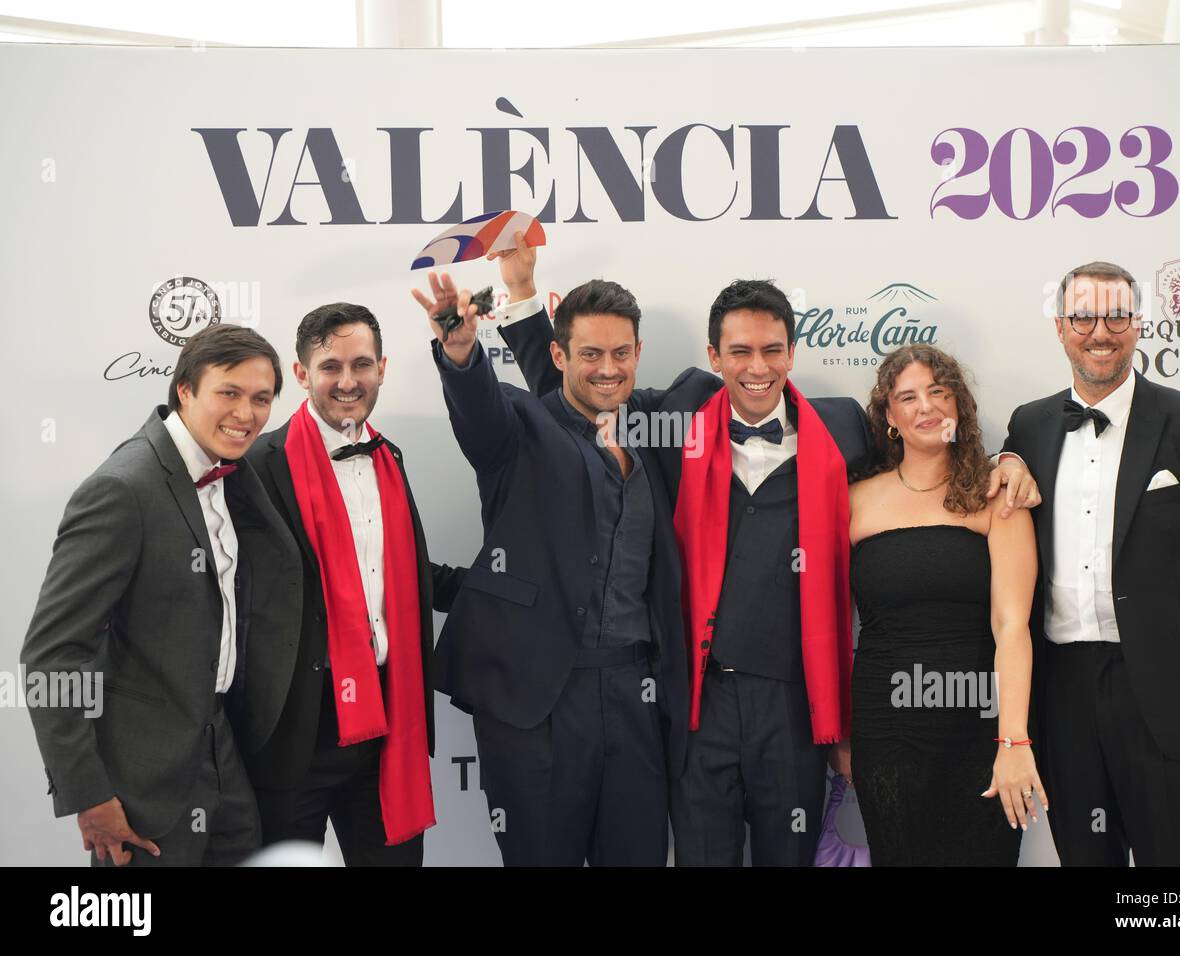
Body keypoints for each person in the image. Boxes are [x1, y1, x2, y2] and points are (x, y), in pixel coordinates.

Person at [502, 273, 1040, 866]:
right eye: (739, 352)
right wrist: (524, 298)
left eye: (771, 350)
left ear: (791, 352)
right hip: (697, 705)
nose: (757, 367)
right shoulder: (673, 417)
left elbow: (928, 455)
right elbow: (579, 397)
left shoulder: (841, 428)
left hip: (793, 709)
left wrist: (1009, 457)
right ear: (714, 357)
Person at [410, 254, 688, 866]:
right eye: (589, 354)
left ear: (638, 353)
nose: (607, 369)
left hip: (637, 696)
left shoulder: (653, 426)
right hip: (538, 700)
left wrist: (523, 289)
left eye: (620, 353)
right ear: (560, 357)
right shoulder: (522, 426)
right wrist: (462, 354)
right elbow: (481, 415)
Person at [1000, 260, 1180, 866]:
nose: (1100, 331)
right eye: (1084, 316)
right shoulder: (1030, 425)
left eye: (1117, 315)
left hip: (1161, 689)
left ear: (1139, 323)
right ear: (1059, 325)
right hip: (1063, 689)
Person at [22, 324, 302, 866]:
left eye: (261, 399)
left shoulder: (234, 474)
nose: (246, 414)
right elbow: (50, 656)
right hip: (141, 787)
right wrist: (89, 795)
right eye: (229, 393)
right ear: (185, 391)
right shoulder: (122, 489)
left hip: (225, 755)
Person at [238, 303, 462, 866]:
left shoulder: (389, 457)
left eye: (361, 364)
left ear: (382, 369)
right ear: (301, 374)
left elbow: (403, 574)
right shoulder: (258, 466)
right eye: (330, 365)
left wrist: (507, 588)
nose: (347, 380)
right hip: (296, 731)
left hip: (390, 721)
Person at [849, 344, 1043, 865]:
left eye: (938, 391)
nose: (926, 407)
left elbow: (1012, 626)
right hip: (885, 727)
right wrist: (834, 736)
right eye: (907, 397)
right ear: (889, 417)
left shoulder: (997, 495)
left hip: (981, 727)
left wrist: (1014, 742)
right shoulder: (855, 500)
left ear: (959, 404)